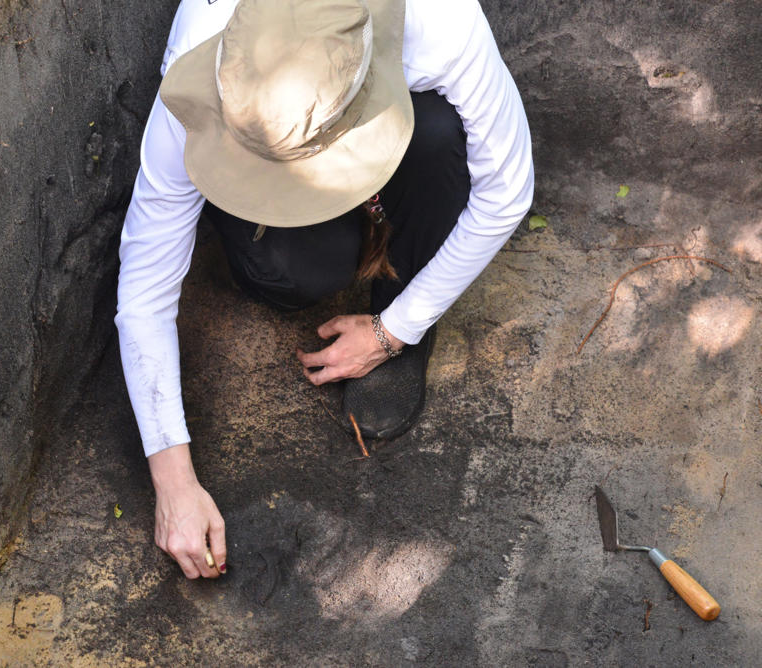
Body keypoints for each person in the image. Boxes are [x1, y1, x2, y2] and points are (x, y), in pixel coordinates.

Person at [116, 0, 534, 580]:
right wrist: (174, 483)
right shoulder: (204, 44)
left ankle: (393, 279)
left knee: (439, 136)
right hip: (288, 177)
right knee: (300, 272)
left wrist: (397, 328)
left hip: (389, 118)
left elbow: (507, 193)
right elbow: (144, 288)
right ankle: (330, 234)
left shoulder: (440, 21)